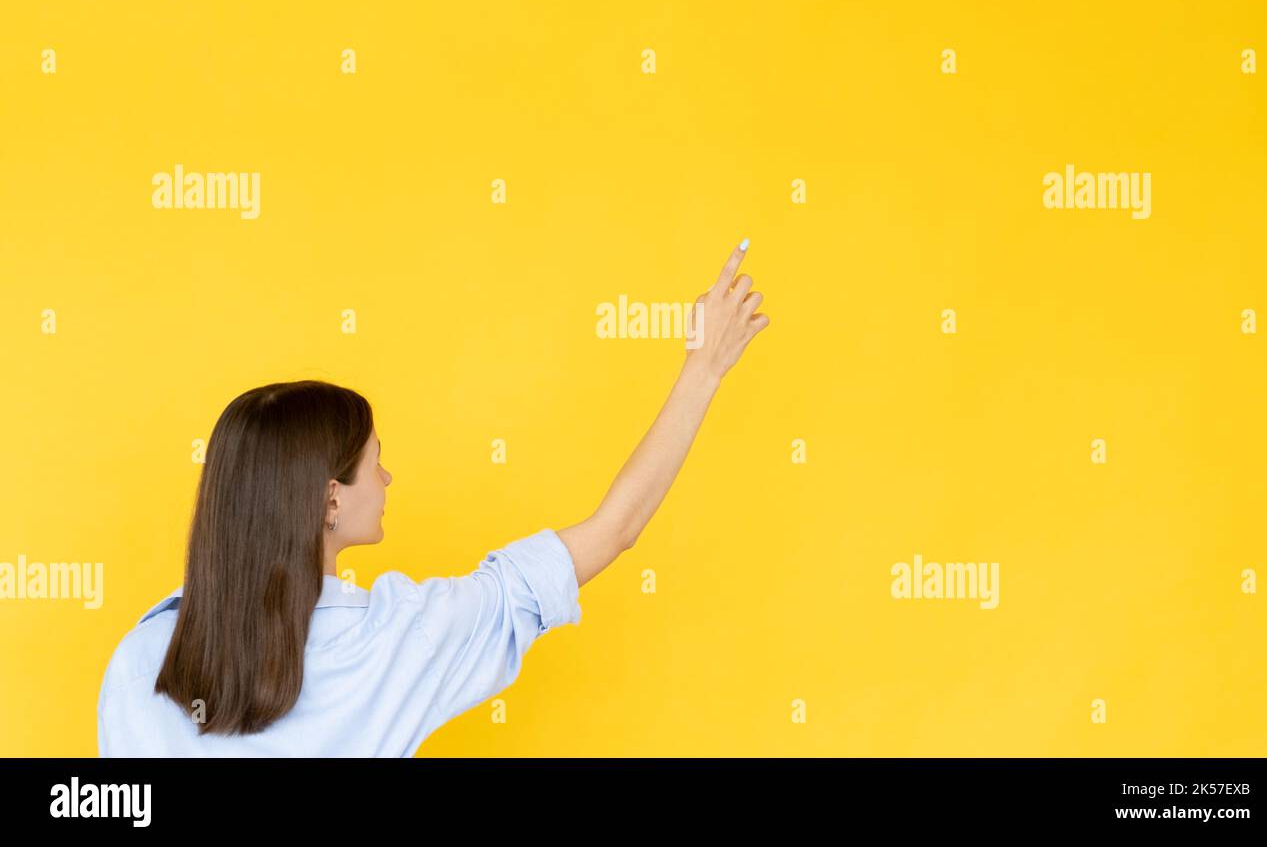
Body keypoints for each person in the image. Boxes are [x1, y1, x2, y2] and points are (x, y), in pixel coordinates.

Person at [98, 241, 769, 756]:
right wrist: (704, 367)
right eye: (376, 463)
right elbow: (614, 529)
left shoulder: (141, 660)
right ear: (330, 500)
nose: (388, 480)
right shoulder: (405, 636)